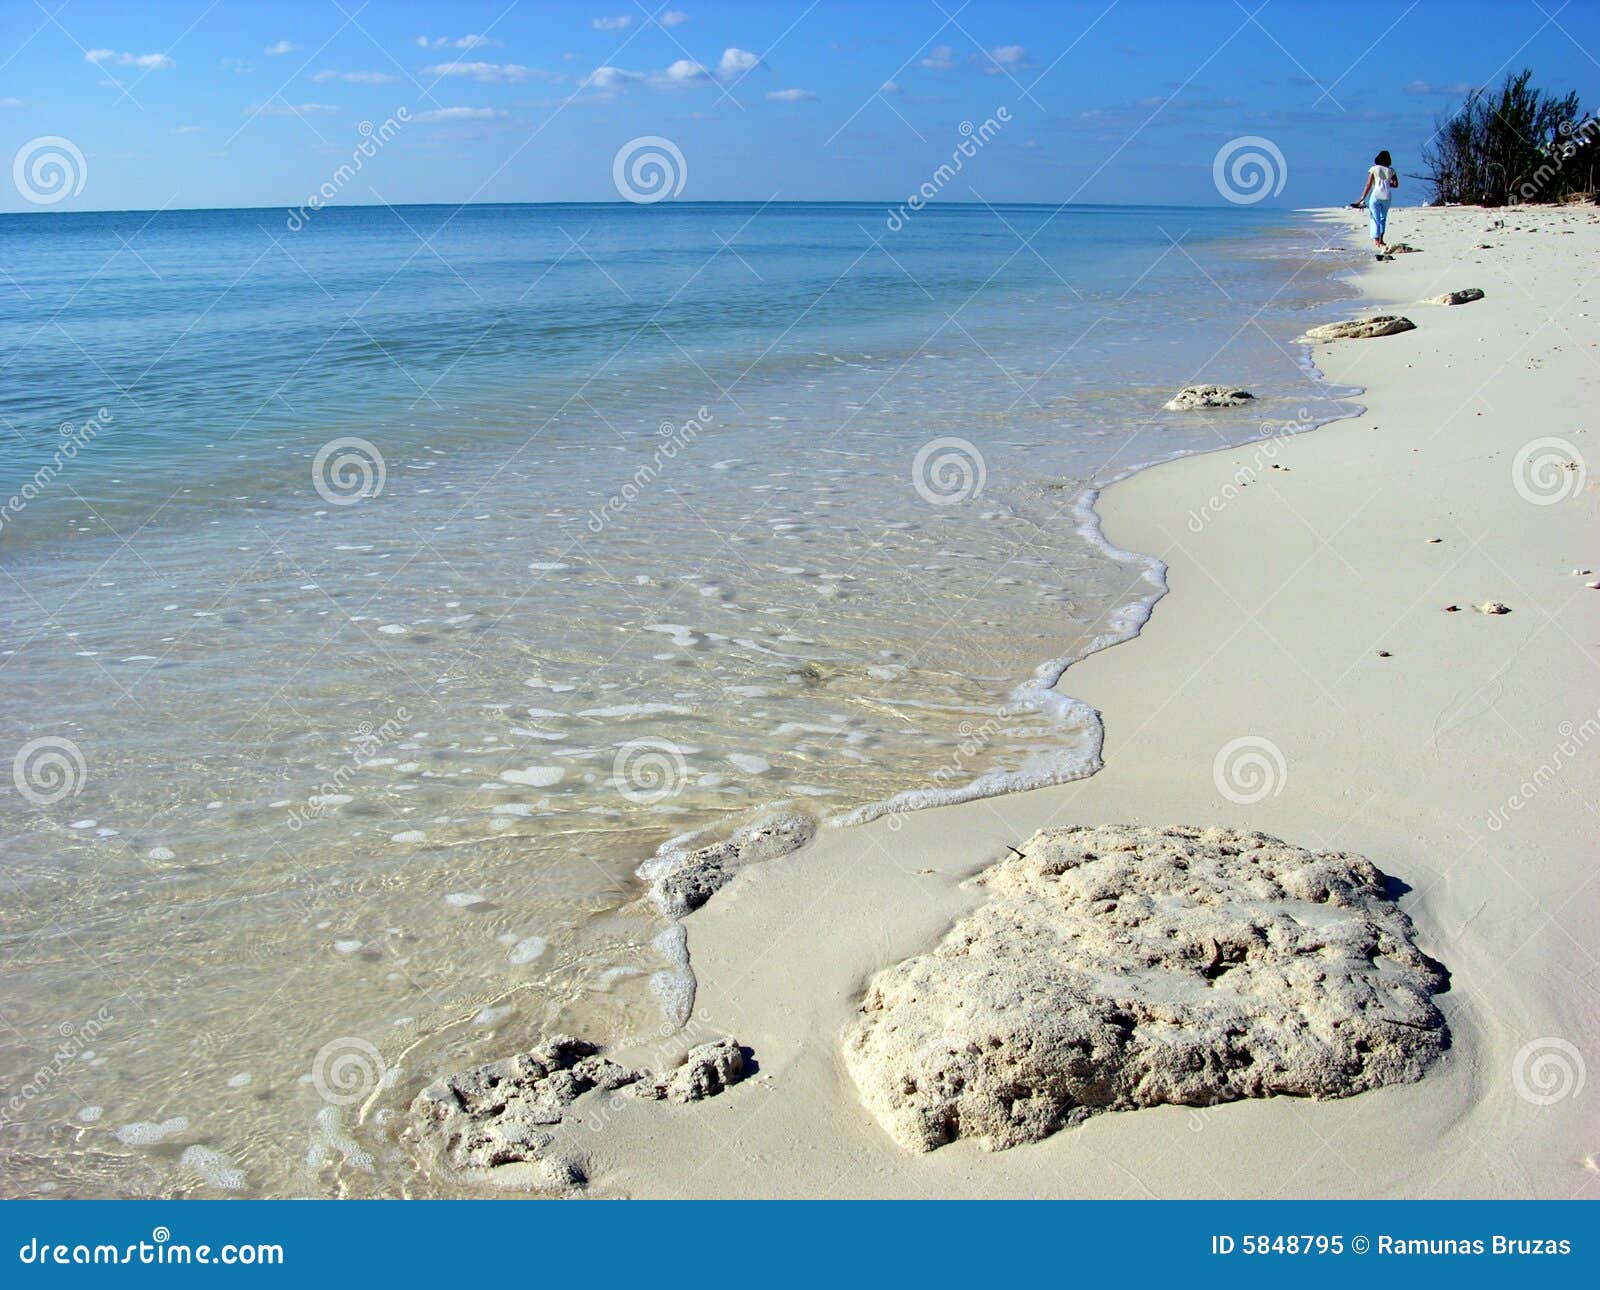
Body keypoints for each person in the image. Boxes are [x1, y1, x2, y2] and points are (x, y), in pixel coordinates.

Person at [1352, 151, 1399, 259]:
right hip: (1387, 196)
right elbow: (1396, 184)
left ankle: (1376, 240)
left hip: (1376, 195)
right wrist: (1387, 184)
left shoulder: (1374, 169)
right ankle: (1381, 240)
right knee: (1383, 218)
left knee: (1374, 217)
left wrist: (1361, 198)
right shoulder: (1391, 170)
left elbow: (1368, 184)